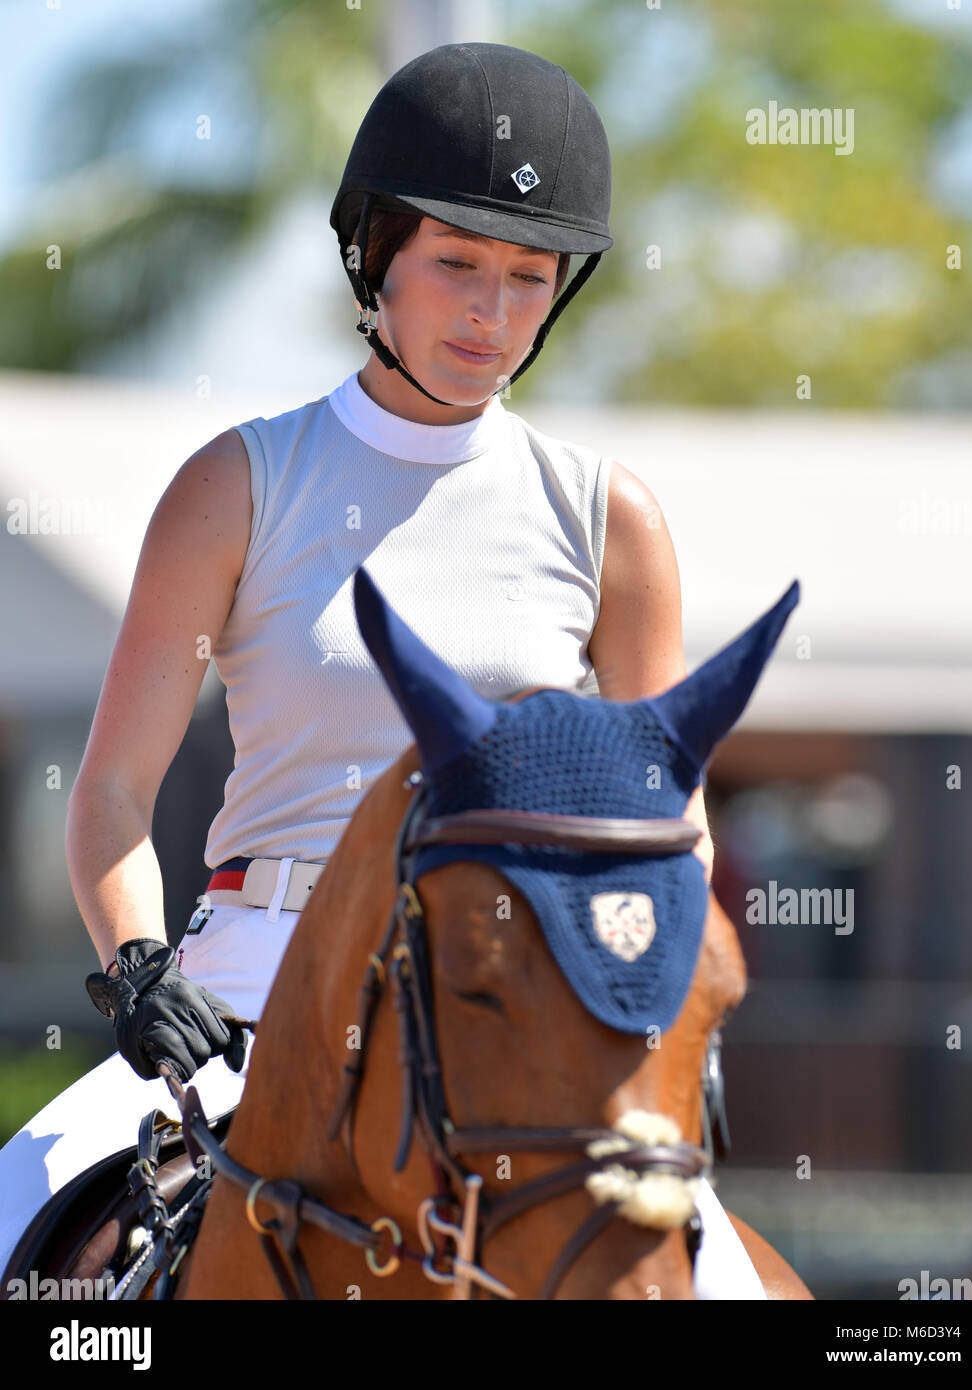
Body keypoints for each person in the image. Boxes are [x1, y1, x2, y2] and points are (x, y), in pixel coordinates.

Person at [0, 41, 764, 1298]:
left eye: (531, 276)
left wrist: (659, 1014)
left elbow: (666, 823)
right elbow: (112, 798)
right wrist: (140, 969)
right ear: (376, 258)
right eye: (457, 264)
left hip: (512, 1019)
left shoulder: (610, 520)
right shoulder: (237, 485)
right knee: (24, 1219)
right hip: (252, 996)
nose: (492, 312)